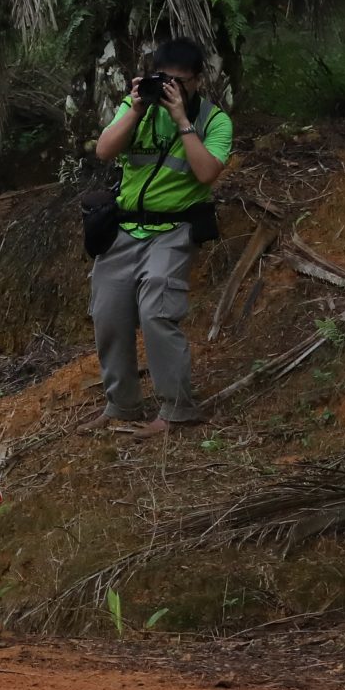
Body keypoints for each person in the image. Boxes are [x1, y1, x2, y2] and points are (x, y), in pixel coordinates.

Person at [90, 36, 232, 435]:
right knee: (108, 311)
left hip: (175, 228)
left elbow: (206, 173)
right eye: (163, 79)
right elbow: (104, 150)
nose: (170, 88)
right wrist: (135, 110)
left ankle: (177, 409)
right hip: (126, 227)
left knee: (157, 309)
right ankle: (121, 405)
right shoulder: (137, 108)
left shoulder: (214, 121)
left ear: (198, 81)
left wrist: (184, 122)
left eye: (180, 82)